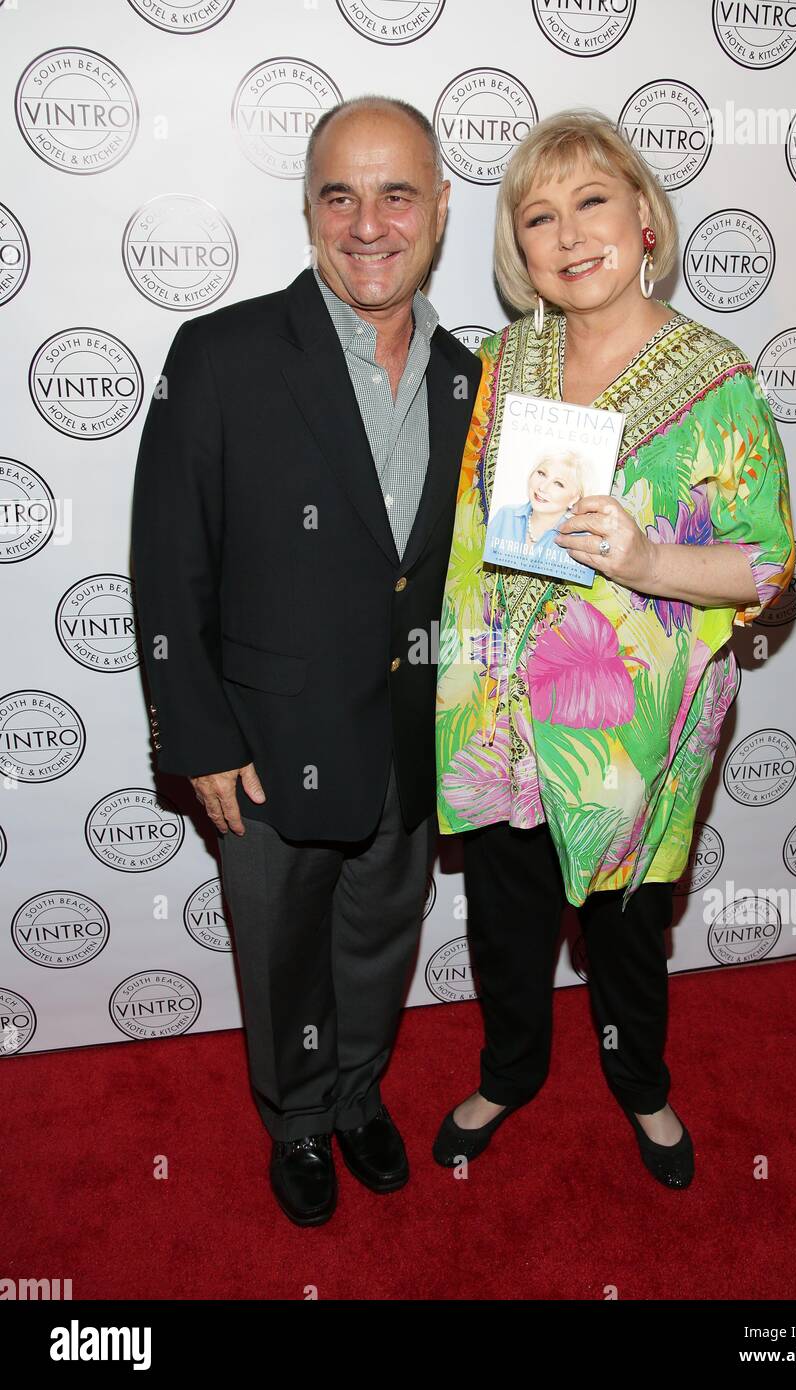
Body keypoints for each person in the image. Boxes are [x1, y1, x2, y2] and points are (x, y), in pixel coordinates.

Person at [130, 95, 482, 1226]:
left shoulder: (472, 379)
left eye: (396, 194)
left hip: (408, 737)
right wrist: (200, 735)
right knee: (283, 953)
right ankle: (295, 1119)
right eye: (341, 194)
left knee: (379, 940)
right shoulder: (221, 354)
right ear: (308, 210)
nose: (368, 222)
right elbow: (168, 560)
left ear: (437, 210)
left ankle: (357, 1093)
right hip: (269, 747)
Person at [432, 108, 796, 1189]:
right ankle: (509, 1071)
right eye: (539, 216)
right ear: (518, 250)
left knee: (628, 928)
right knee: (505, 924)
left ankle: (641, 1084)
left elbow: (769, 567)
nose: (568, 231)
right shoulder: (499, 363)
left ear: (643, 216)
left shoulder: (716, 376)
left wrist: (644, 559)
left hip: (631, 735)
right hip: (495, 719)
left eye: (592, 200)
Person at [484, 452, 586, 566]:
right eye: (542, 473)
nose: (542, 487)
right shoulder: (506, 515)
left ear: (574, 498)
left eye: (558, 483)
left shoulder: (578, 539)